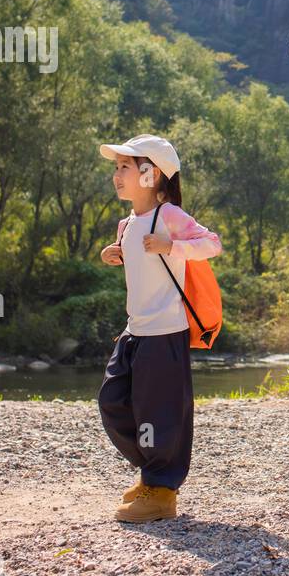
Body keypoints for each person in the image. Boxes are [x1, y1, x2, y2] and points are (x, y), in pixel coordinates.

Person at [97, 134, 223, 522]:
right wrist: (112, 253)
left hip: (166, 333)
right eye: (116, 167)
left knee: (159, 413)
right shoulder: (127, 223)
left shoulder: (167, 216)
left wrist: (171, 247)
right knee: (114, 401)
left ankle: (162, 489)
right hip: (135, 331)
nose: (117, 175)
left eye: (126, 167)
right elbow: (135, 258)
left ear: (151, 174)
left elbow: (211, 244)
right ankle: (155, 472)